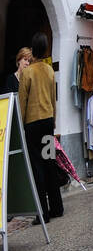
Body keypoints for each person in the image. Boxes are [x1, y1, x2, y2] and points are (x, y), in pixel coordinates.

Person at [18, 33, 63, 220]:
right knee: (49, 163)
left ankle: (43, 213)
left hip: (32, 124)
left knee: (37, 167)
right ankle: (57, 207)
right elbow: (54, 98)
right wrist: (53, 120)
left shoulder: (27, 72)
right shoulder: (49, 70)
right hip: (47, 121)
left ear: (32, 49)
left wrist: (20, 124)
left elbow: (22, 101)